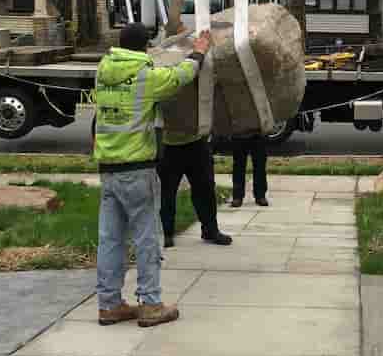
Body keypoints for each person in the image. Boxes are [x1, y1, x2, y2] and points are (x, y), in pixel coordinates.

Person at [94, 22, 211, 328]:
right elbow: (178, 77)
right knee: (147, 239)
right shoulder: (145, 76)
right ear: (145, 47)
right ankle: (150, 303)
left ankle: (109, 305)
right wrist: (198, 52)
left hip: (108, 170)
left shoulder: (103, 71)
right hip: (137, 169)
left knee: (110, 240)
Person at [158, 127, 232, 249]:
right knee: (167, 192)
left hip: (196, 142)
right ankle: (166, 233)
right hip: (168, 145)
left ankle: (210, 230)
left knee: (205, 188)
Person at [231, 130, 269, 208]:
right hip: (238, 132)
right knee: (238, 165)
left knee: (260, 165)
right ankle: (237, 196)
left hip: (258, 132)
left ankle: (260, 195)